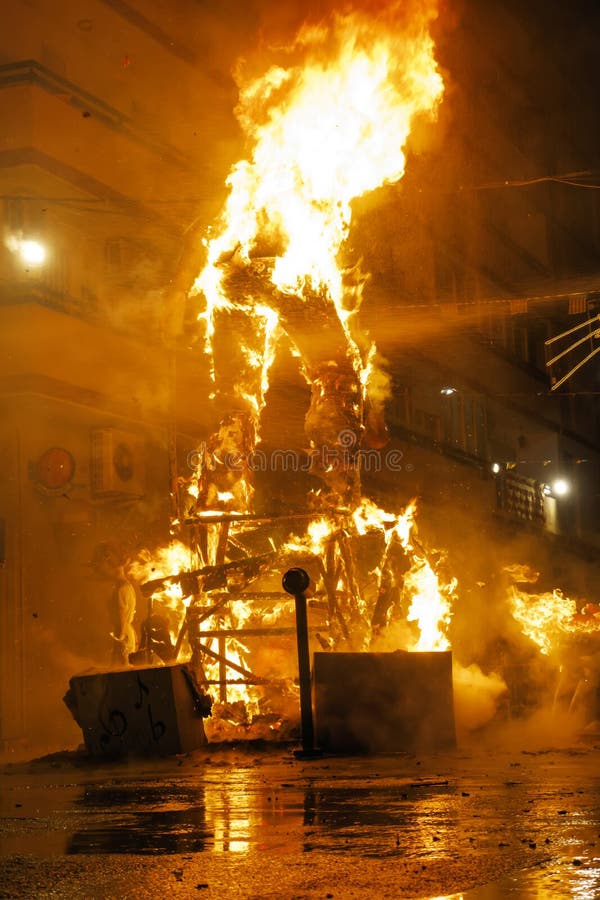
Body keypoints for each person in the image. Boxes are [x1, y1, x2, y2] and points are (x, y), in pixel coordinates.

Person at [91, 542, 137, 667]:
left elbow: (122, 617)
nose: (101, 570)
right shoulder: (127, 587)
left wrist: (119, 640)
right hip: (126, 634)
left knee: (121, 672)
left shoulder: (121, 590)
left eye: (102, 564)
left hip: (123, 636)